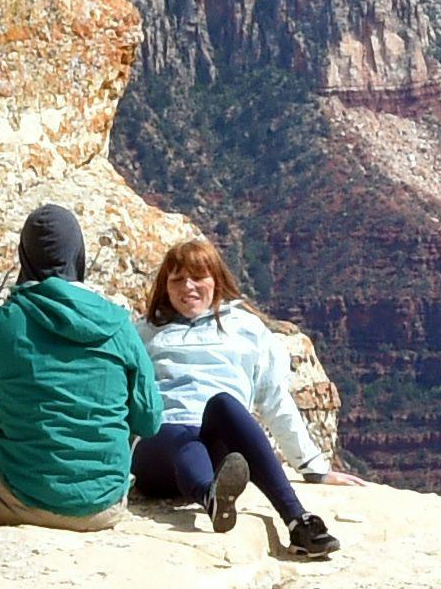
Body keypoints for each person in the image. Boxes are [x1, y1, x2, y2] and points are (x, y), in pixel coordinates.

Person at [0, 204, 160, 532]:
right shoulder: (119, 325)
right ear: (79, 254)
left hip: (19, 498)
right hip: (105, 506)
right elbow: (149, 421)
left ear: (24, 255)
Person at [141, 237, 337, 557]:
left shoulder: (246, 329)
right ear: (165, 287)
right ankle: (210, 497)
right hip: (158, 447)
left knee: (224, 404)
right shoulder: (146, 332)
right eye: (177, 279)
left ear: (216, 281)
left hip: (217, 449)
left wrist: (313, 466)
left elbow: (274, 398)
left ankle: (298, 521)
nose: (187, 286)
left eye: (197, 277)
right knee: (176, 431)